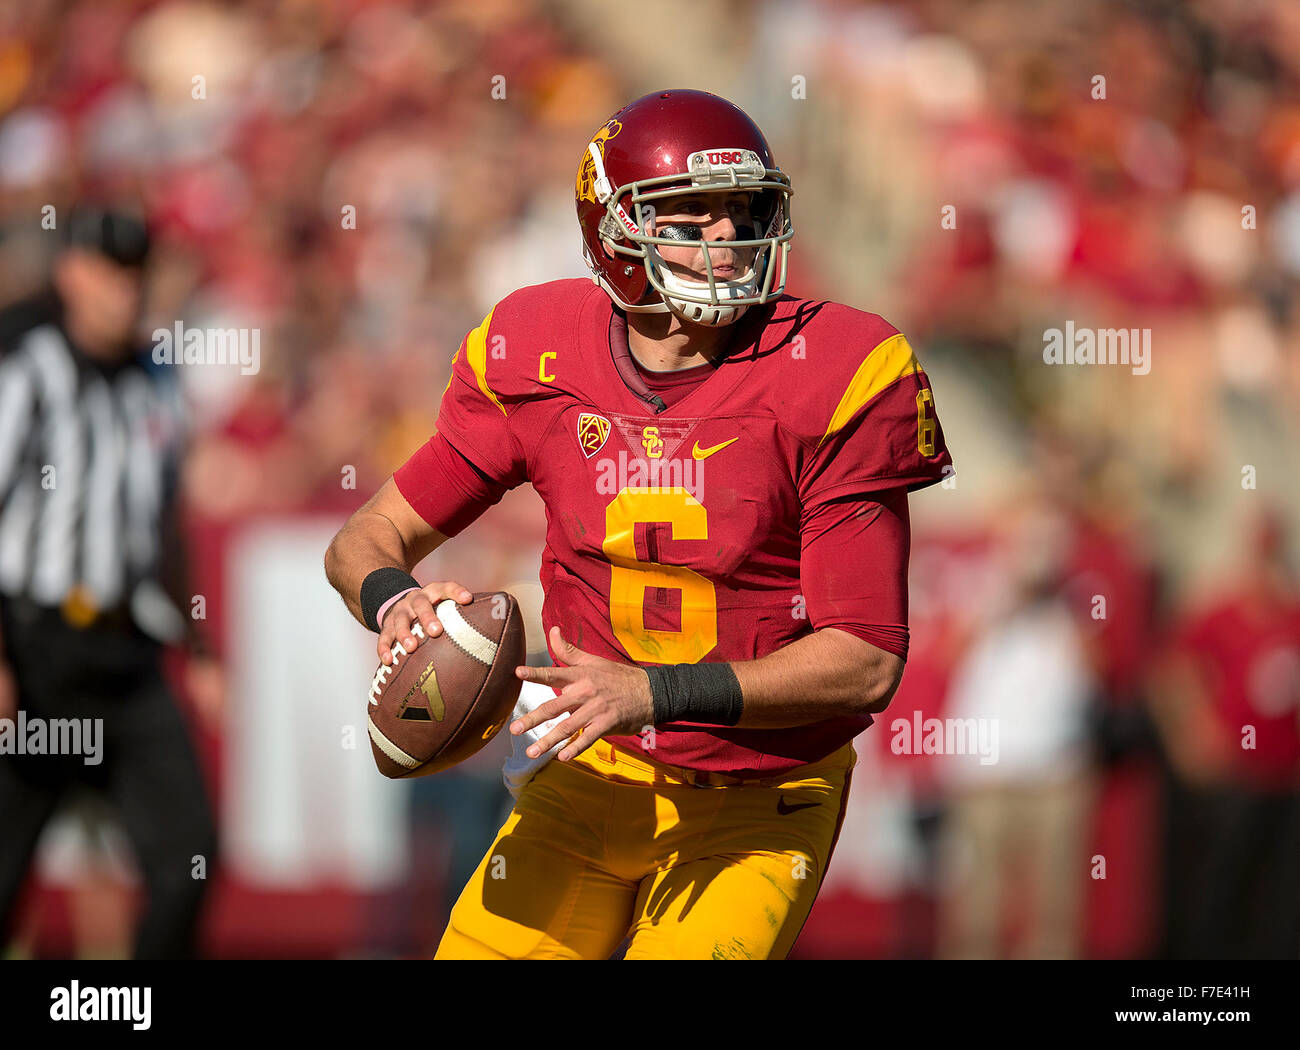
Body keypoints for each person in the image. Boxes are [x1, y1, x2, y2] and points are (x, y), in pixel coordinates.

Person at [325, 89, 953, 959]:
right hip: (585, 779)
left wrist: (650, 692)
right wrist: (394, 600)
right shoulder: (535, 352)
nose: (726, 240)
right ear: (613, 234)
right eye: (690, 219)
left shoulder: (842, 373)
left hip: (755, 798)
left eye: (740, 213)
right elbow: (364, 539)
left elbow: (865, 660)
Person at [0, 206, 217, 959]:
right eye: (108, 271)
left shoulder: (158, 378)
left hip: (127, 656)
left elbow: (165, 526)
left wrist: (199, 645)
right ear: (71, 275)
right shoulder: (29, 373)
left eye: (135, 273)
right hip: (37, 653)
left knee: (190, 856)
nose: (124, 290)